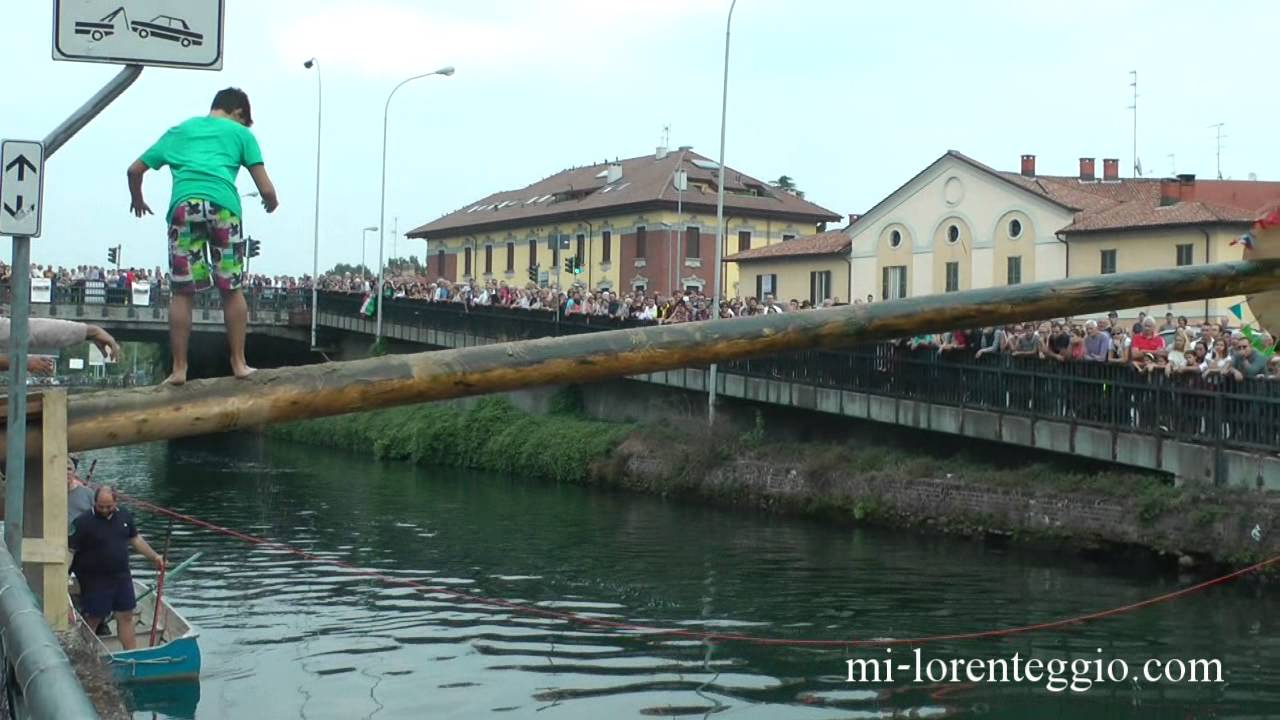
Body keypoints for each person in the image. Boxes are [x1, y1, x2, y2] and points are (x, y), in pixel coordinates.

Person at [127, 88, 279, 385]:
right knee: (231, 288)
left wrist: (137, 198)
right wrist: (271, 202)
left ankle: (179, 369)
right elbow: (267, 189)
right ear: (238, 113)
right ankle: (239, 362)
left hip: (184, 206)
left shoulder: (180, 131)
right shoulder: (241, 135)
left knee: (183, 292)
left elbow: (134, 170)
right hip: (224, 208)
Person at [69, 486, 164, 651]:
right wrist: (64, 574)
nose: (105, 510)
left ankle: (132, 653)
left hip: (121, 577)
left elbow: (135, 539)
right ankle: (82, 652)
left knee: (126, 615)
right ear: (94, 502)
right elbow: (70, 550)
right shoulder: (82, 522)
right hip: (94, 580)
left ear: (116, 502)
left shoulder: (125, 516)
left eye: (109, 506)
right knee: (93, 618)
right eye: (100, 506)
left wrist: (154, 557)